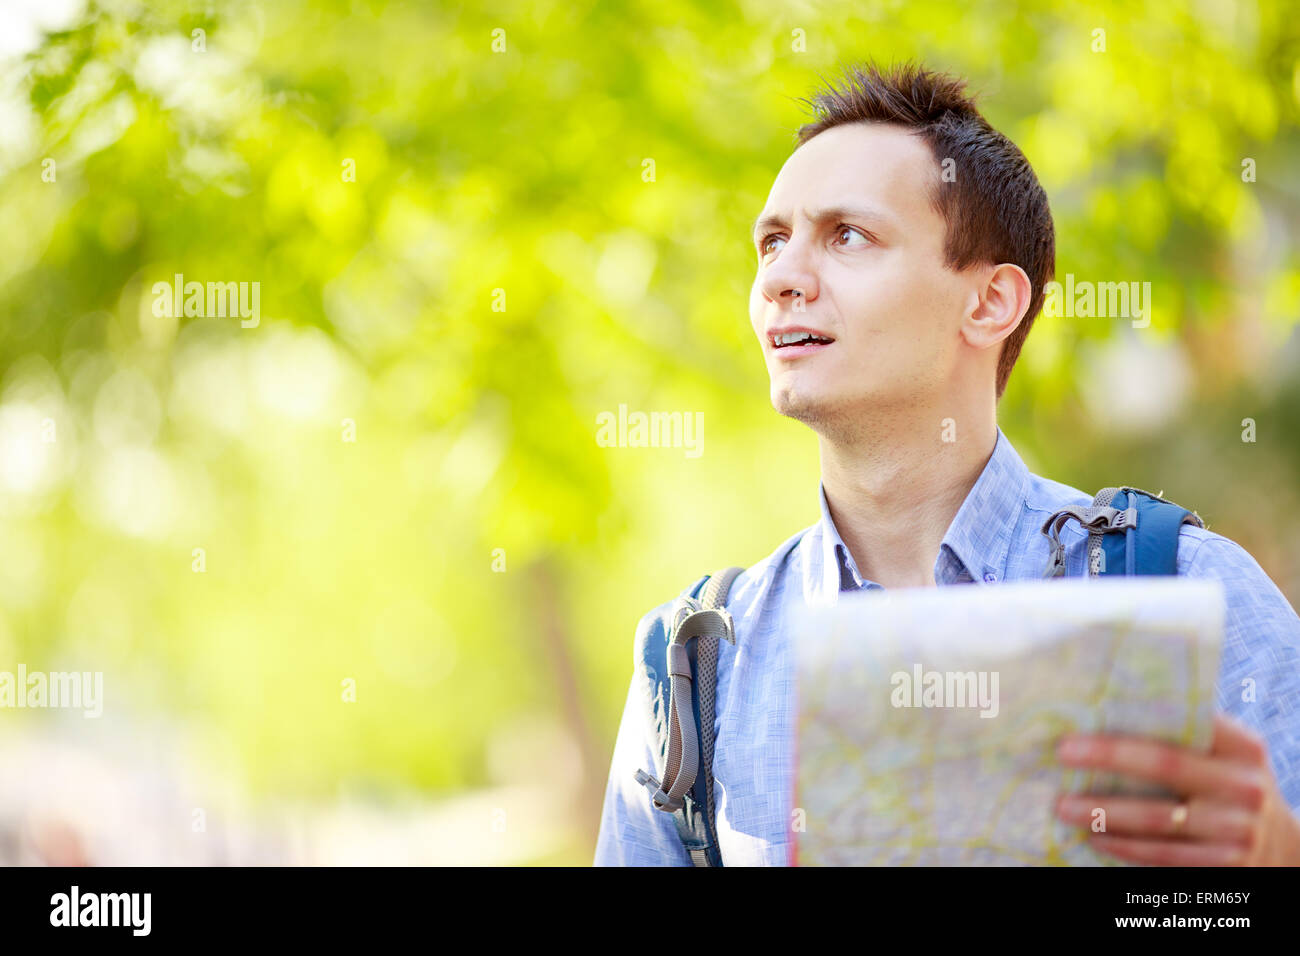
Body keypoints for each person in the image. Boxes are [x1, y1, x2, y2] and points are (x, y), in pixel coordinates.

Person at [592, 61, 1300, 866]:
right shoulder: (692, 667)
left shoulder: (1192, 594)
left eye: (846, 236)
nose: (780, 279)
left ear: (992, 301)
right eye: (772, 242)